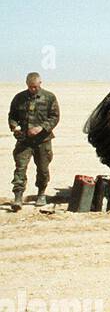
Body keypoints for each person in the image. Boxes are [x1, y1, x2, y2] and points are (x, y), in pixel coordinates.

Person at [9, 72, 59, 210]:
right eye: (30, 87)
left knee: (43, 169)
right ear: (27, 85)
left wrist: (41, 128)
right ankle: (18, 197)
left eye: (35, 87)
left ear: (40, 84)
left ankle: (41, 193)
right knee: (20, 168)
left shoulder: (49, 97)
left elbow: (55, 117)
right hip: (24, 140)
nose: (33, 89)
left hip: (43, 140)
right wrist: (14, 127)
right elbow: (12, 116)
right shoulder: (19, 98)